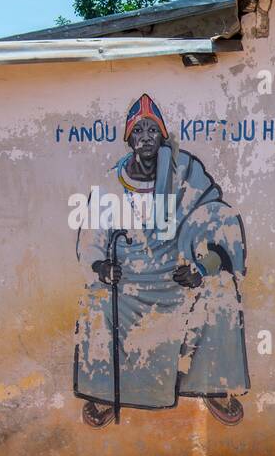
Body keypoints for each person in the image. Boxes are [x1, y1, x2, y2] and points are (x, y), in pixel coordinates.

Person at [73, 93, 249, 427]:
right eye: (138, 131)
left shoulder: (184, 172)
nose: (145, 138)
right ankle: (106, 392)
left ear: (162, 136)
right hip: (130, 278)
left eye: (152, 131)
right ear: (129, 139)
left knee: (221, 290)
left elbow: (213, 215)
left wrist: (203, 267)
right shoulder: (113, 181)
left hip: (178, 273)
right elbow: (92, 234)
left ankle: (213, 385)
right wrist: (101, 267)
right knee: (95, 300)